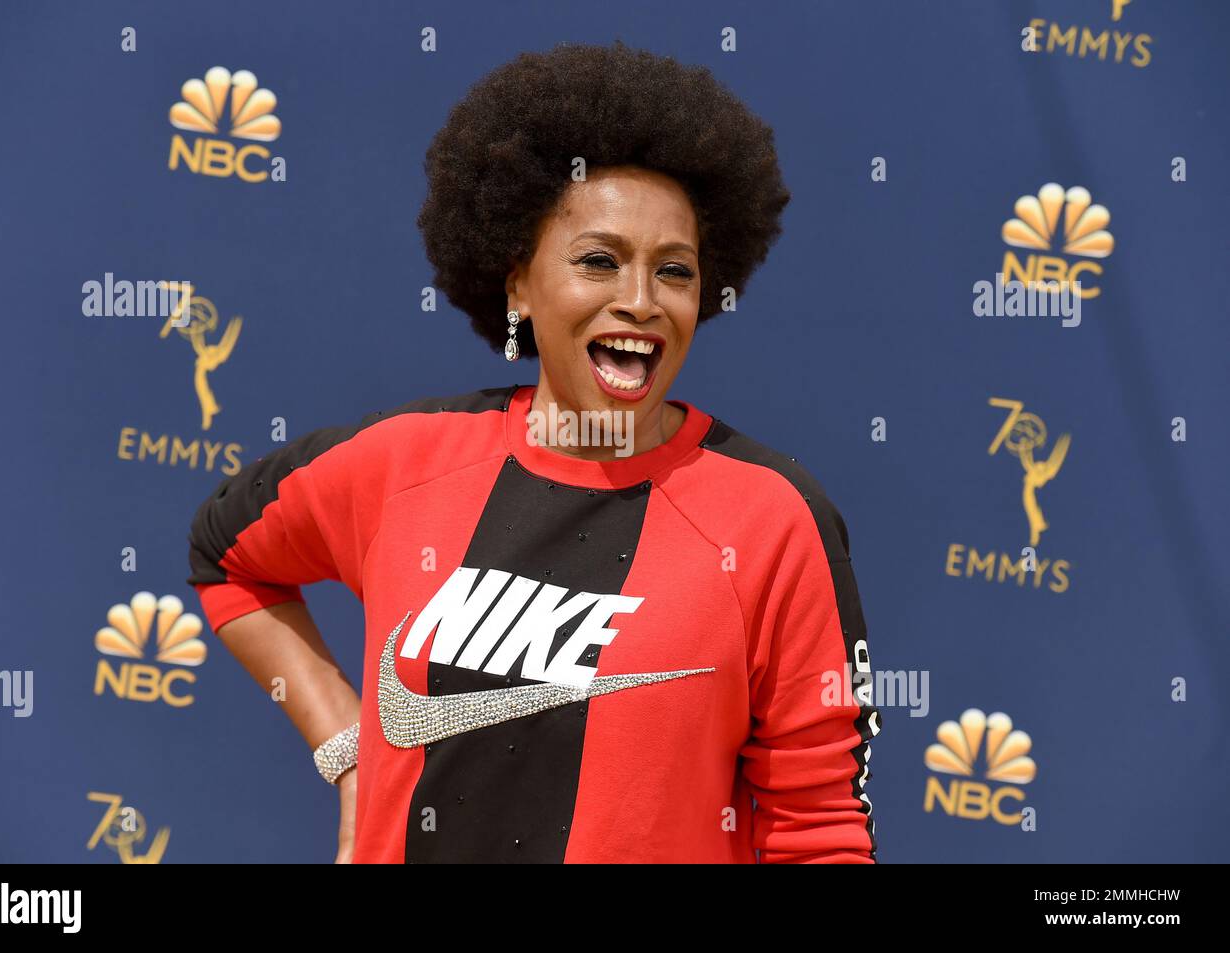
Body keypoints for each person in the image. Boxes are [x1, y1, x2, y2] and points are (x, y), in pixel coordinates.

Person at [187, 40, 881, 863]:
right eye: (599, 261)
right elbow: (226, 555)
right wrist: (348, 751)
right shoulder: (402, 462)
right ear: (517, 282)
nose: (640, 301)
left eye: (675, 271)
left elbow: (818, 830)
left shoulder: (774, 520)